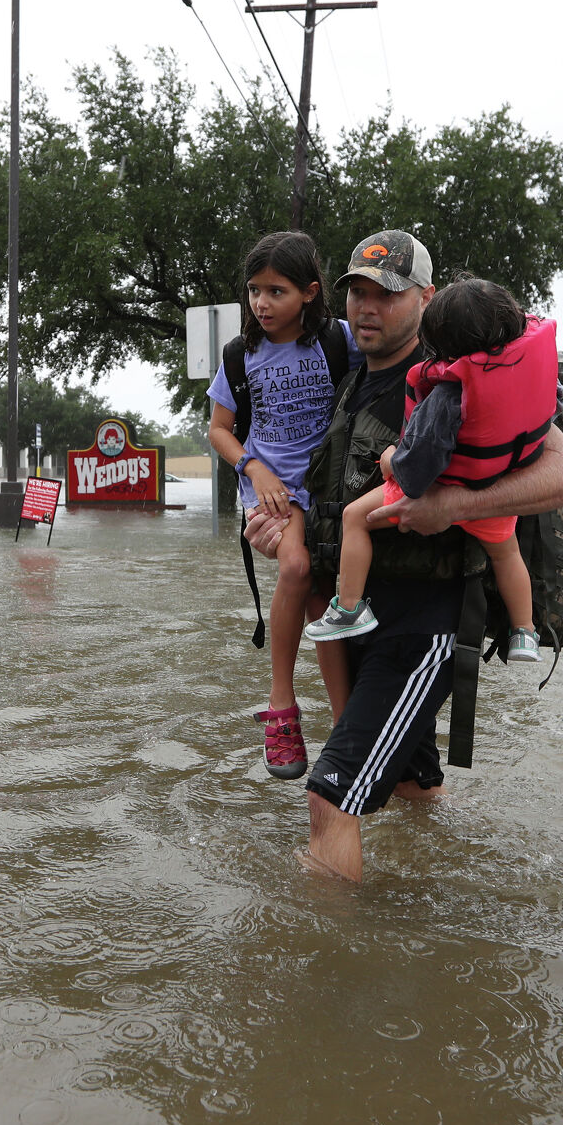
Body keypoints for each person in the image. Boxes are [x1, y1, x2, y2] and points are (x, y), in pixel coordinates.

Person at [242, 230, 563, 882]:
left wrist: (450, 509)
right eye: (357, 292)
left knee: (330, 795)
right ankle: (437, 914)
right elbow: (320, 493)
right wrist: (274, 532)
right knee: (409, 792)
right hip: (358, 619)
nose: (367, 307)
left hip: (420, 626)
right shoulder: (348, 379)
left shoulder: (458, 380)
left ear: (426, 300)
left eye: (388, 294)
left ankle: (333, 968)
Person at [302, 278, 555, 664]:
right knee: (507, 556)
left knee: (355, 517)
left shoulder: (448, 394)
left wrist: (388, 459)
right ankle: (524, 631)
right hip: (494, 494)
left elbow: (415, 471)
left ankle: (350, 607)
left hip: (444, 488)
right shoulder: (527, 372)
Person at [207, 231, 362, 780]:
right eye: (253, 290)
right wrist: (253, 467)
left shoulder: (339, 340)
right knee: (296, 567)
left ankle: (347, 730)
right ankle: (281, 707)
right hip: (275, 487)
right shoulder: (239, 356)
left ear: (311, 293)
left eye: (276, 291)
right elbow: (220, 431)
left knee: (322, 601)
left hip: (330, 487)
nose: (261, 303)